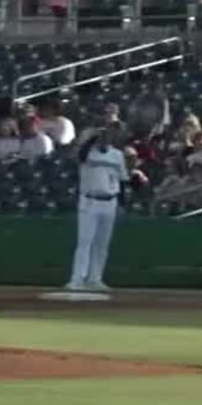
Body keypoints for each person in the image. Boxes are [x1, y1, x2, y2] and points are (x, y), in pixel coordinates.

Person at [66, 124, 132, 293]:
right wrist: (91, 139)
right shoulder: (87, 152)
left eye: (107, 137)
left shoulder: (117, 155)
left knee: (102, 244)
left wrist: (122, 204)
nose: (105, 140)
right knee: (84, 242)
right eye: (102, 137)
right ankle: (77, 279)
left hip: (110, 201)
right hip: (89, 200)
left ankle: (95, 278)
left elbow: (122, 180)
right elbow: (77, 156)